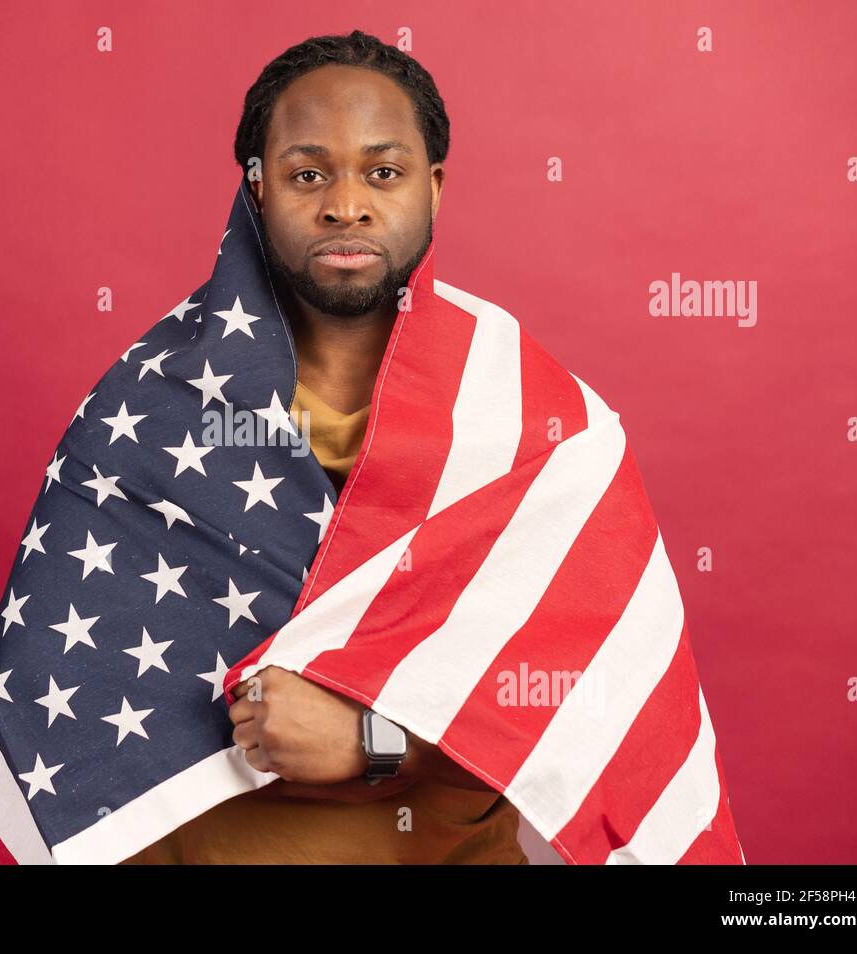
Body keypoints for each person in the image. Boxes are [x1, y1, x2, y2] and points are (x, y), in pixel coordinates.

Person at [120, 30, 529, 865]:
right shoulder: (152, 406)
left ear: (434, 188)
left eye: (384, 172)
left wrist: (375, 740)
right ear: (258, 188)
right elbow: (72, 686)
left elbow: (574, 688)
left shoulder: (524, 414)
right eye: (309, 174)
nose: (348, 204)